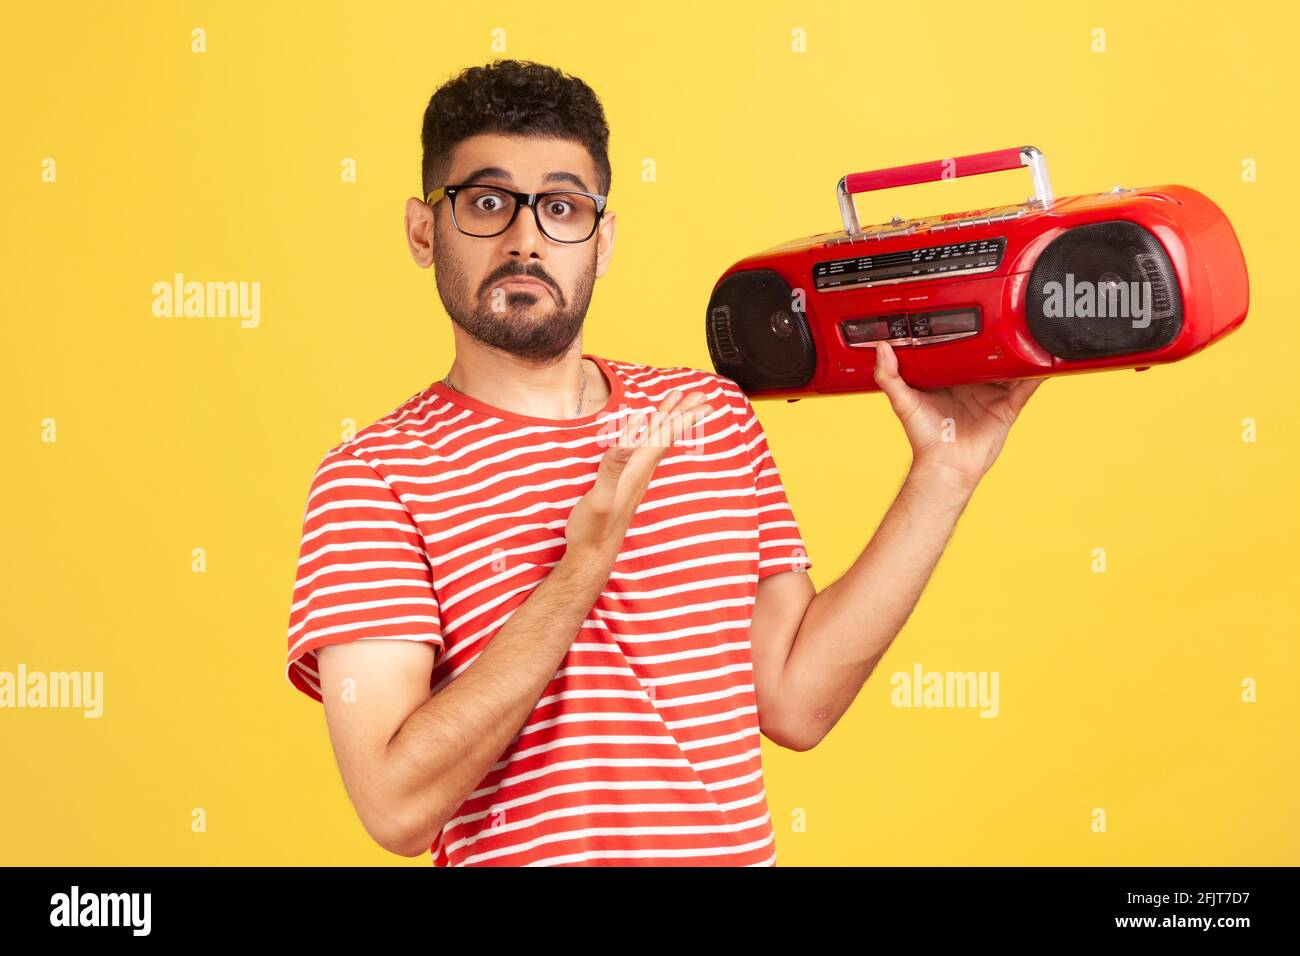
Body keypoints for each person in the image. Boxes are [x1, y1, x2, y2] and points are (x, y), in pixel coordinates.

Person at [284, 59, 1045, 867]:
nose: (525, 239)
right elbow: (396, 809)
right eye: (486, 202)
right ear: (422, 229)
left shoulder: (705, 418)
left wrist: (944, 475)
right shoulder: (372, 479)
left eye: (562, 208)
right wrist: (583, 565)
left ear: (602, 240)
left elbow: (796, 702)